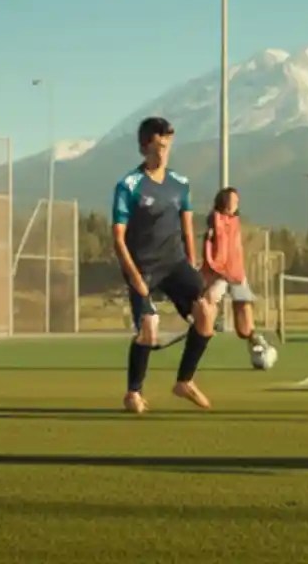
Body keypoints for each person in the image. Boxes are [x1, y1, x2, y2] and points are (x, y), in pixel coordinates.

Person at [112, 117, 218, 414]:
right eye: (158, 146)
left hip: (174, 264)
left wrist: (193, 265)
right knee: (149, 329)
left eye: (167, 146)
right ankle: (133, 393)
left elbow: (186, 228)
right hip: (142, 267)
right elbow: (118, 239)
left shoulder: (180, 184)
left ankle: (184, 381)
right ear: (144, 147)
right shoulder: (128, 185)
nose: (163, 152)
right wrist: (135, 277)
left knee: (206, 313)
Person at [201, 187, 272, 360]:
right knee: (209, 300)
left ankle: (255, 341)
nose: (236, 203)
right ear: (225, 202)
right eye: (234, 200)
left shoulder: (235, 221)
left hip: (236, 272)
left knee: (244, 320)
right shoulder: (214, 221)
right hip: (219, 272)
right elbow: (210, 243)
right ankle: (201, 333)